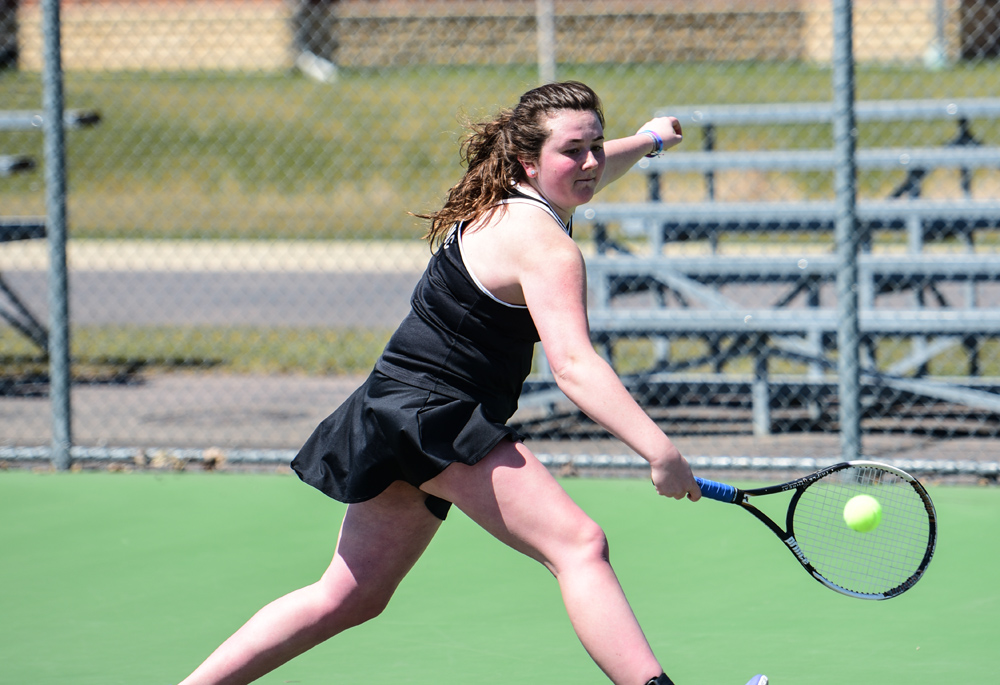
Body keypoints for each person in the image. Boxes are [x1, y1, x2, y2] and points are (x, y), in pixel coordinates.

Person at [177, 81, 766, 685]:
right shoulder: (544, 245)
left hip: (394, 403)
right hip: (438, 416)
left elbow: (588, 165)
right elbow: (573, 367)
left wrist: (647, 140)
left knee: (349, 596)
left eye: (596, 145)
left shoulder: (512, 193)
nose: (589, 162)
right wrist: (660, 451)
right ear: (527, 161)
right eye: (574, 151)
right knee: (579, 545)